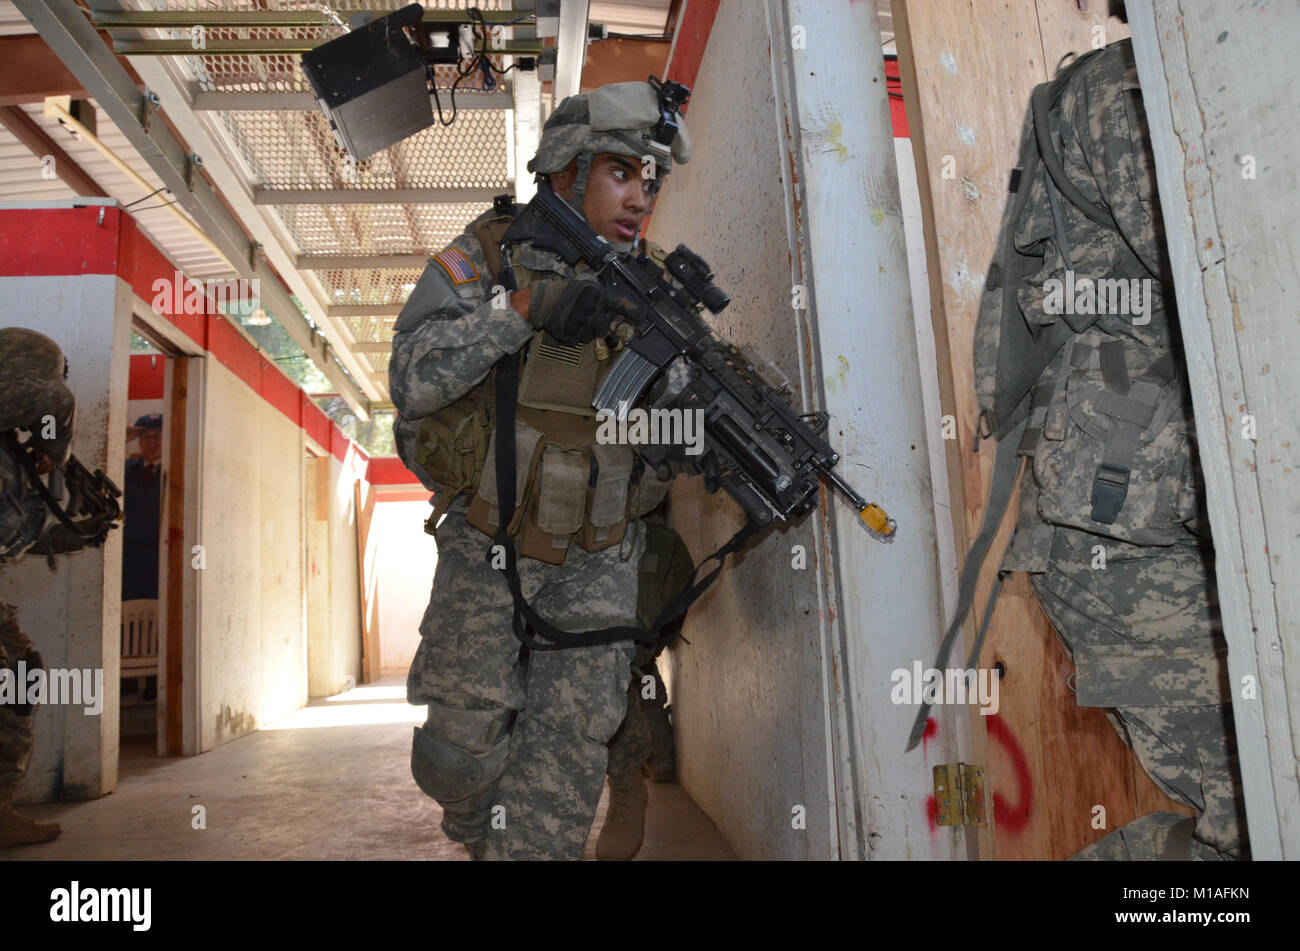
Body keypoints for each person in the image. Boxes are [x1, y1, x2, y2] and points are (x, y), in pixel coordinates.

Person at [390, 80, 693, 860]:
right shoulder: (485, 256)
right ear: (568, 170)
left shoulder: (651, 289)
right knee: (456, 755)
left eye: (649, 182)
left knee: (565, 760)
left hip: (599, 553)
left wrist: (681, 430)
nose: (640, 198)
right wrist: (520, 312)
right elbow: (413, 378)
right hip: (488, 541)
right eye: (622, 174)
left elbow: (680, 404)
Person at [0, 327, 112, 847]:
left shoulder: (11, 452)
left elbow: (10, 533)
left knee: (20, 677)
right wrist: (56, 451)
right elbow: (53, 401)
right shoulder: (40, 409)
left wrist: (68, 536)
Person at [121, 412, 163, 602]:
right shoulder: (126, 469)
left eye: (157, 436)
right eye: (145, 436)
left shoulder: (177, 470)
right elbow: (99, 464)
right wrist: (122, 438)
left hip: (160, 554)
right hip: (128, 554)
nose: (151, 442)